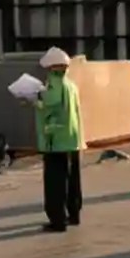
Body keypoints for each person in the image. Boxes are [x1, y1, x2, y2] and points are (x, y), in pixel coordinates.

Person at [34, 47, 83, 232]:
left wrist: (32, 101)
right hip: (73, 139)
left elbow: (49, 105)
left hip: (56, 141)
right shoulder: (71, 85)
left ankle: (57, 219)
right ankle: (74, 214)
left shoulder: (54, 84)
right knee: (72, 180)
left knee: (55, 182)